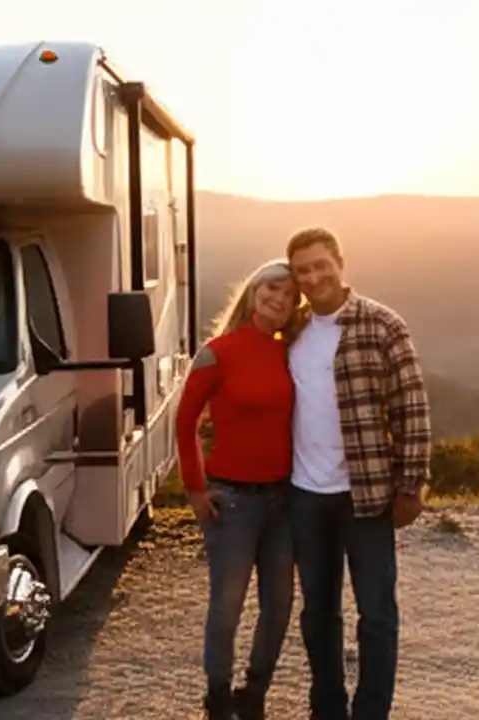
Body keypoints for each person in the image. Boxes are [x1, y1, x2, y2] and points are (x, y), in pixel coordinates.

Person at [283, 227, 432, 720]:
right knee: (318, 614)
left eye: (321, 265)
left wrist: (410, 486)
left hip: (365, 494)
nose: (313, 277)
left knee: (377, 613)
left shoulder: (382, 325)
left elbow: (411, 408)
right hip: (305, 495)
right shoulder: (293, 330)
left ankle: (371, 712)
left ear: (340, 262)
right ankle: (328, 708)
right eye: (302, 271)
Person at [175, 259, 302, 720]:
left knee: (279, 606)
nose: (278, 299)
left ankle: (254, 694)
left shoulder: (289, 353)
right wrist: (195, 487)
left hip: (284, 500)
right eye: (272, 288)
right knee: (227, 606)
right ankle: (218, 697)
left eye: (289, 295)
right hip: (231, 502)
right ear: (253, 291)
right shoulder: (218, 352)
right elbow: (185, 420)